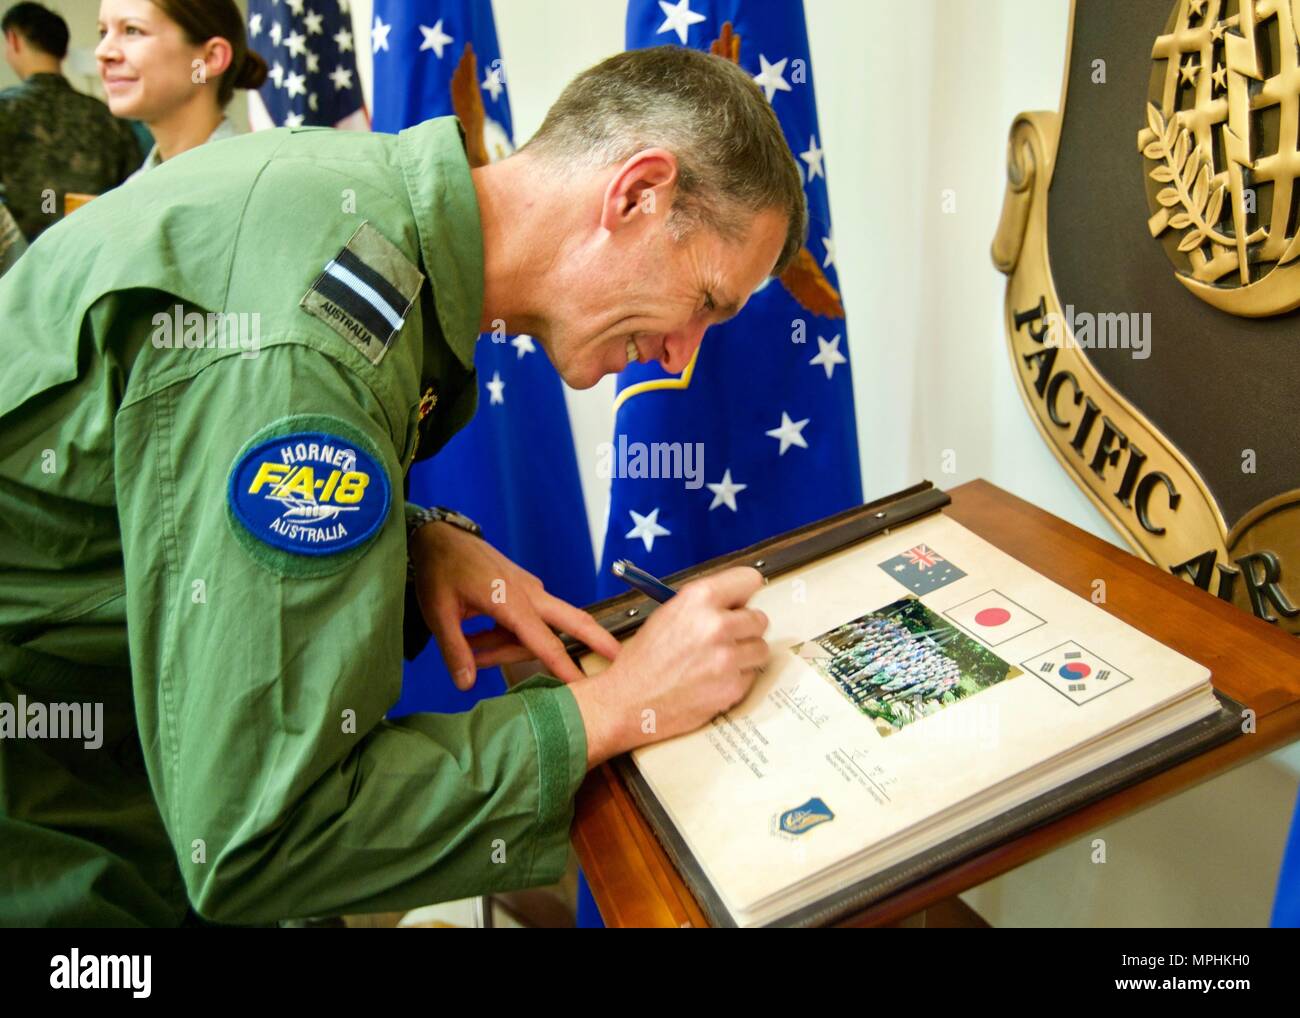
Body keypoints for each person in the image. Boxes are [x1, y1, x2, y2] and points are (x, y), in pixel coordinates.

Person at [0, 44, 804, 926]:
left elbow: (160, 478)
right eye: (705, 302)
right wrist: (612, 710)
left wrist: (409, 534)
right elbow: (263, 837)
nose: (684, 354)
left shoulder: (362, 213)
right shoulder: (312, 348)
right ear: (636, 196)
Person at [0, 2, 140, 241]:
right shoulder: (108, 118)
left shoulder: (5, 111)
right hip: (94, 259)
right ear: (64, 51)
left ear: (13, 39)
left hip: (18, 267)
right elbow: (134, 198)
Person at [95, 0, 266, 178]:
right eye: (103, 32)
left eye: (132, 30)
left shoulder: (255, 185)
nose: (102, 52)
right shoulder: (130, 193)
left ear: (208, 59)